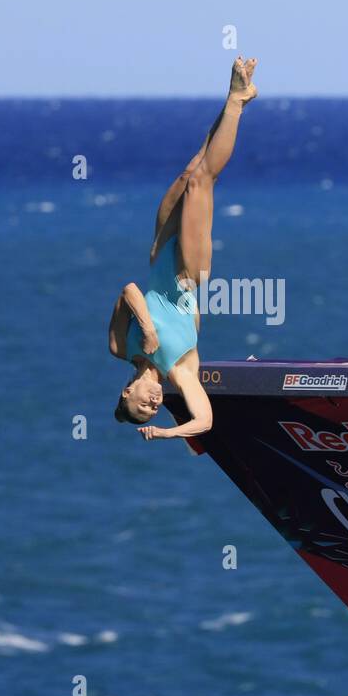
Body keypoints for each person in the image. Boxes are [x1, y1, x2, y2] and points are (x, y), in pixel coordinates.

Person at [109, 57, 258, 441]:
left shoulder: (118, 347)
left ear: (128, 390)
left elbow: (128, 291)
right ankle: (238, 103)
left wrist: (146, 331)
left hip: (159, 255)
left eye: (143, 404)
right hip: (187, 273)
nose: (153, 403)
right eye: (153, 408)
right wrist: (166, 433)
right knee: (201, 183)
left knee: (190, 171)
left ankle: (233, 94)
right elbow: (205, 420)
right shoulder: (182, 371)